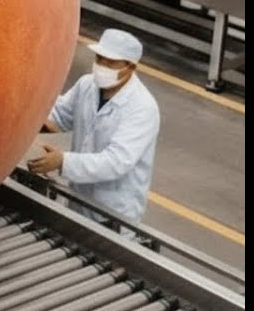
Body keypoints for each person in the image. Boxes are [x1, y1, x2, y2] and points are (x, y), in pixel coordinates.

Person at [29, 29, 161, 229]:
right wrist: (24, 125)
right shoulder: (87, 85)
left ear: (130, 67)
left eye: (110, 62)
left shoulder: (142, 108)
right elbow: (59, 116)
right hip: (78, 200)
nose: (102, 66)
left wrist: (62, 161)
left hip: (113, 214)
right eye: (99, 58)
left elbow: (116, 162)